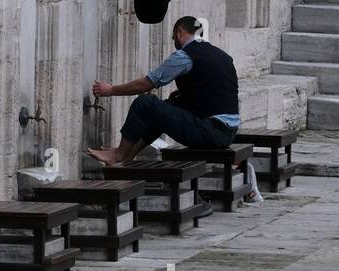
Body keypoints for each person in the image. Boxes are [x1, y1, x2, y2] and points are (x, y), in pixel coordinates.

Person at [86, 15, 240, 165]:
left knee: (145, 103)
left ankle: (118, 154)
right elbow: (219, 89)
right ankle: (128, 155)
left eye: (174, 38)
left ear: (180, 32)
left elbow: (145, 84)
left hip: (210, 131)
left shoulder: (185, 56)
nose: (175, 43)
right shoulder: (221, 55)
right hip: (228, 132)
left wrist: (111, 90)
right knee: (165, 107)